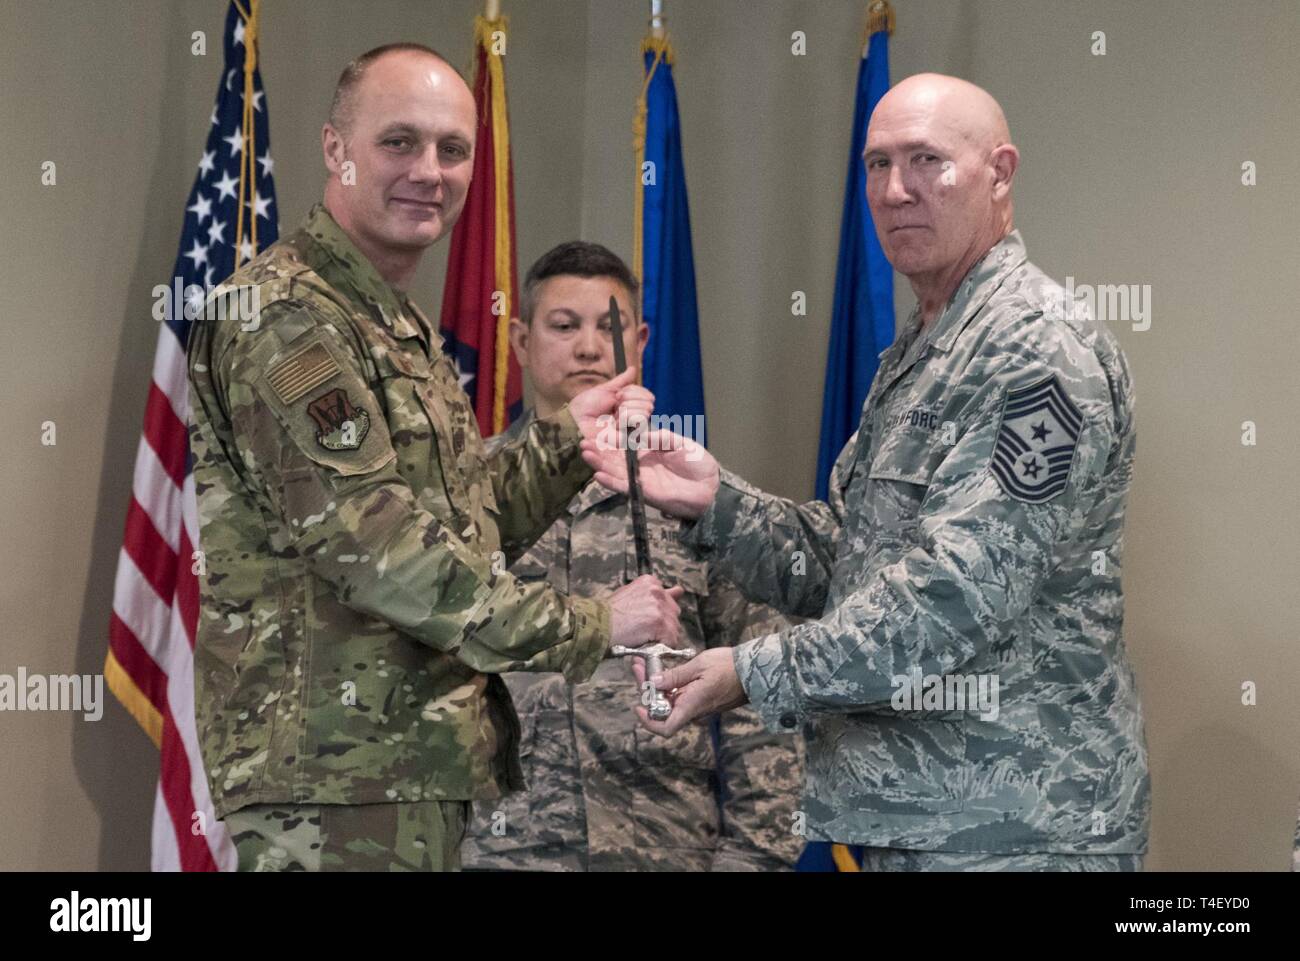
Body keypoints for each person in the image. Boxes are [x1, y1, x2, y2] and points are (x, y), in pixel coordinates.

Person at [583, 73, 1150, 871]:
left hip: (1017, 828)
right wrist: (718, 501)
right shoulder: (924, 349)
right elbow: (853, 559)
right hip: (917, 822)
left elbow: (955, 593)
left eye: (926, 161)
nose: (895, 190)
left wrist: (751, 671)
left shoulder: (1037, 353)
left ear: (1000, 171)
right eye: (877, 164)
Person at [186, 43, 681, 872]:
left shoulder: (388, 320)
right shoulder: (284, 314)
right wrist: (595, 625)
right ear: (336, 150)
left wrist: (566, 441)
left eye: (453, 149)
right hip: (334, 776)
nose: (431, 170)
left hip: (402, 767)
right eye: (399, 142)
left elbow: (465, 522)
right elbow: (375, 548)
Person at [460, 242, 803, 871]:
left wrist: (751, 860)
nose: (589, 348)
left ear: (639, 341)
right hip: (500, 852)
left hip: (666, 849)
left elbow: (761, 697)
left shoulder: (692, 494)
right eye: (564, 326)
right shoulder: (467, 495)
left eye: (609, 328)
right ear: (519, 340)